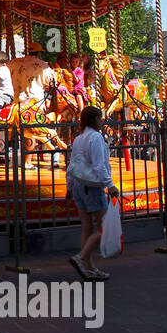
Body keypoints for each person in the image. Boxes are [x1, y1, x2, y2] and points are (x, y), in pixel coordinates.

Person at [65, 105, 120, 281]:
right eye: (100, 118)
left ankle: (89, 267)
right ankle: (80, 258)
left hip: (79, 185)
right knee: (104, 226)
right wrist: (109, 185)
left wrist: (69, 185)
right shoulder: (95, 138)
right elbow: (99, 165)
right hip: (92, 186)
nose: (102, 121)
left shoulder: (79, 138)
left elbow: (73, 163)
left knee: (87, 227)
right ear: (95, 120)